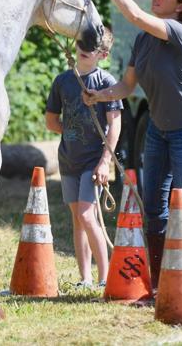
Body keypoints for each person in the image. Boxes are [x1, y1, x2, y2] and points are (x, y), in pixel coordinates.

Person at [78, 0, 182, 293]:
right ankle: (158, 283)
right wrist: (99, 95)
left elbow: (134, 14)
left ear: (180, 8)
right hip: (158, 130)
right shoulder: (142, 41)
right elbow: (126, 87)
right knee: (154, 207)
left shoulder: (178, 32)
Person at [45, 28, 122, 288]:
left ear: (103, 54)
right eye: (82, 42)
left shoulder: (106, 82)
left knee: (89, 217)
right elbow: (50, 121)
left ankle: (104, 276)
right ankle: (85, 278)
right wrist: (71, 129)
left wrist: (104, 162)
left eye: (92, 46)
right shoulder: (63, 81)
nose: (85, 48)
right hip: (68, 159)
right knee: (78, 220)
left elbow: (115, 126)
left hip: (92, 161)